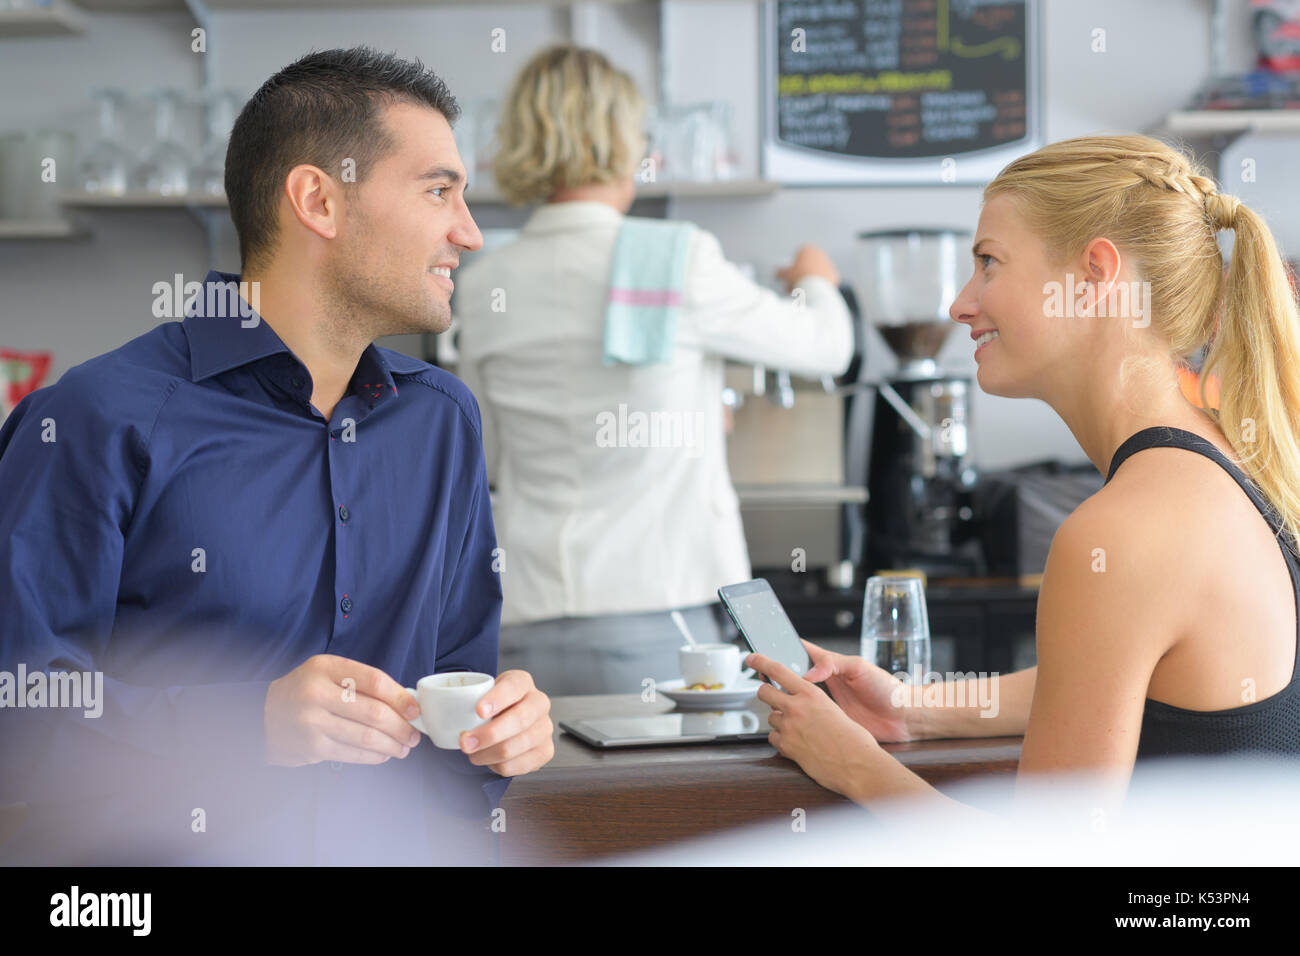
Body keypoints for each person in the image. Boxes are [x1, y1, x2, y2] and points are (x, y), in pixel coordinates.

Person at [0, 47, 553, 865]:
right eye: (439, 190)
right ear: (318, 201)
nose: (468, 232)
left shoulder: (442, 423)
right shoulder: (94, 418)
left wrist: (500, 734)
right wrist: (247, 723)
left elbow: (450, 720)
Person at [746, 134, 1300, 818]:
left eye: (988, 263)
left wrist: (853, 765)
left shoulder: (1124, 533)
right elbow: (1118, 678)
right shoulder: (1226, 466)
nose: (960, 305)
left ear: (1095, 275)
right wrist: (913, 709)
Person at [454, 46, 854, 696]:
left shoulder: (483, 282)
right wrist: (816, 278)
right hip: (655, 618)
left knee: (541, 800)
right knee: (656, 799)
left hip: (521, 621)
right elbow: (826, 347)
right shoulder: (676, 257)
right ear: (624, 139)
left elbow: (489, 455)